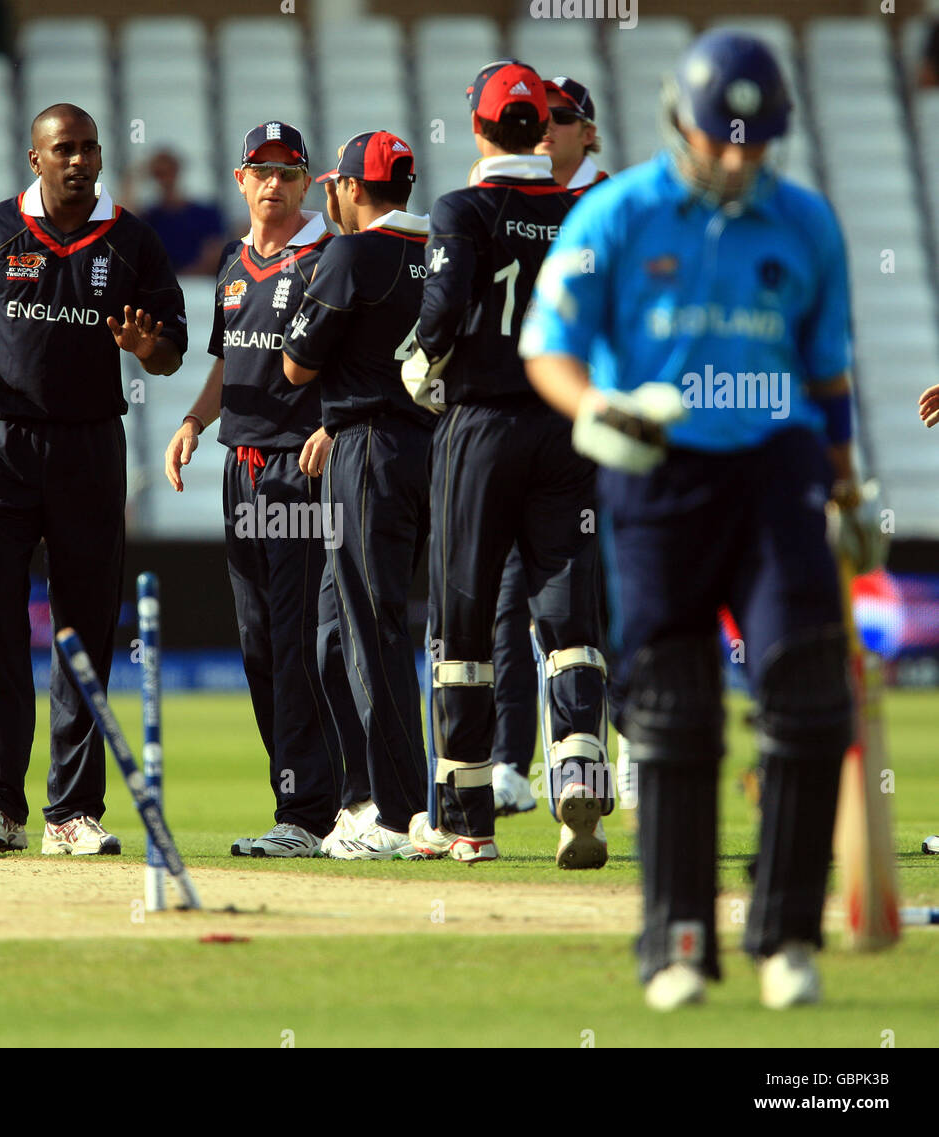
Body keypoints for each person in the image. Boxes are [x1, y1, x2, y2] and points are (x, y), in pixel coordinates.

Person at [521, 31, 862, 1009]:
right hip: (657, 472)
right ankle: (675, 944)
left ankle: (786, 937)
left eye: (754, 144)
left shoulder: (803, 222)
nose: (736, 161)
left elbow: (829, 373)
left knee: (805, 695)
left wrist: (844, 489)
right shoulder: (618, 211)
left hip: (776, 469)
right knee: (671, 712)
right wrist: (592, 408)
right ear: (681, 123)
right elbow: (549, 345)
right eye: (721, 141)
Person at [0, 103, 186, 856]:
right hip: (0, 449)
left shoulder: (132, 239)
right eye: (62, 149)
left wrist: (148, 349)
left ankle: (71, 812)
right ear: (34, 157)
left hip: (89, 449)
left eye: (88, 149)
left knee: (81, 632)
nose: (77, 160)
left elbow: (170, 346)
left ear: (102, 157)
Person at [401, 61, 610, 867]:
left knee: (462, 620)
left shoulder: (463, 207)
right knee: (567, 613)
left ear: (483, 130)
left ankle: (467, 818)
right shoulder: (586, 211)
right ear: (541, 130)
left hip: (481, 424)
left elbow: (441, 310)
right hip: (566, 425)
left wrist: (417, 367)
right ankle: (580, 767)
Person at [164, 121, 364, 858]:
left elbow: (356, 361)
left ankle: (309, 812)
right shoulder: (232, 261)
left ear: (307, 182)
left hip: (300, 470)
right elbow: (228, 359)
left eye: (287, 171)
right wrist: (191, 418)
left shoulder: (327, 257)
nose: (273, 183)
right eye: (261, 171)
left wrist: (337, 425)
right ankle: (302, 801)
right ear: (242, 179)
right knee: (257, 644)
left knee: (296, 643)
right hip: (239, 465)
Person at [281, 130, 435, 859]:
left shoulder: (350, 254)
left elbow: (296, 364)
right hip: (427, 444)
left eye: (333, 188)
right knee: (337, 633)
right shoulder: (442, 249)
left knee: (371, 630)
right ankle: (364, 798)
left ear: (348, 188)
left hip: (369, 450)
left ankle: (399, 816)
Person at [488, 74, 610, 822]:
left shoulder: (610, 205)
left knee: (596, 606)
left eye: (563, 118)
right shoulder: (510, 202)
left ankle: (607, 750)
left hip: (589, 429)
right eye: (538, 116)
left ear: (588, 132)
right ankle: (510, 761)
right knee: (505, 601)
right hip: (517, 429)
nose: (547, 128)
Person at [138, 149, 229, 276]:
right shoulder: (149, 217)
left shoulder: (206, 213)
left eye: (170, 172)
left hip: (199, 285)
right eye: (159, 174)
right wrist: (135, 177)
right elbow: (121, 228)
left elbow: (215, 255)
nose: (165, 179)